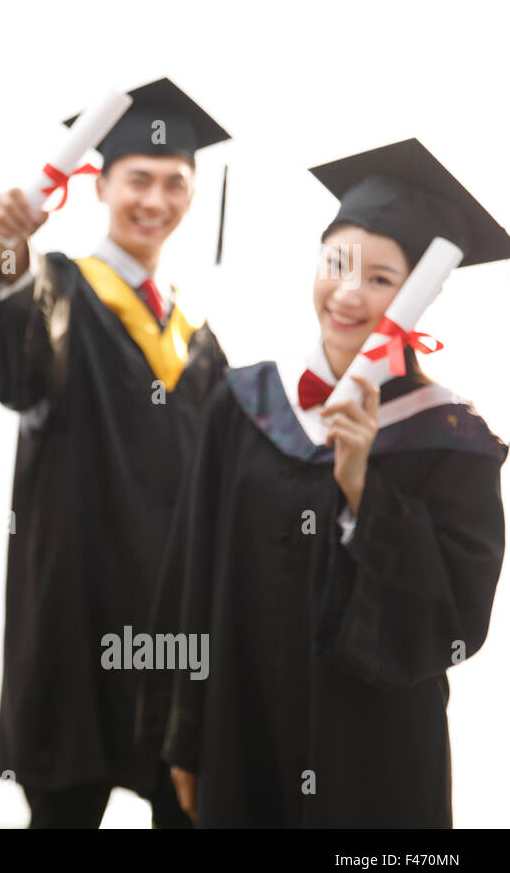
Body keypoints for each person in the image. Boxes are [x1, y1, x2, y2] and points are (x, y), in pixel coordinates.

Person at [148, 138, 508, 827]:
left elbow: (456, 623)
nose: (347, 292)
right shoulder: (242, 403)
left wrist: (361, 490)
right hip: (239, 740)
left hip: (376, 762)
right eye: (336, 262)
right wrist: (185, 739)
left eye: (380, 277)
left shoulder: (453, 441)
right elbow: (191, 581)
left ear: (417, 300)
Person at [0, 78, 231, 827]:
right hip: (77, 613)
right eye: (139, 179)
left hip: (174, 625)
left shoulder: (199, 336)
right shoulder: (57, 288)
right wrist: (7, 253)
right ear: (100, 183)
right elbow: (18, 378)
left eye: (174, 183)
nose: (156, 199)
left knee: (188, 806)